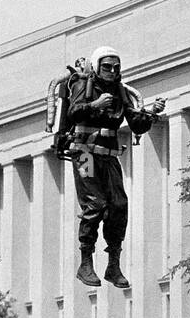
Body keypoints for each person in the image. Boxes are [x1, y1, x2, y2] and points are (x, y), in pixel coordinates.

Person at [67, 46, 166, 287]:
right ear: (97, 66)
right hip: (84, 154)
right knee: (96, 203)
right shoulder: (84, 86)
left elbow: (137, 125)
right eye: (107, 67)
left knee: (119, 205)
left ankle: (113, 264)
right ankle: (86, 262)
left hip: (109, 157)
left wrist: (151, 113)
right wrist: (95, 105)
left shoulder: (121, 92)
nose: (112, 71)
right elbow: (72, 113)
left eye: (116, 67)